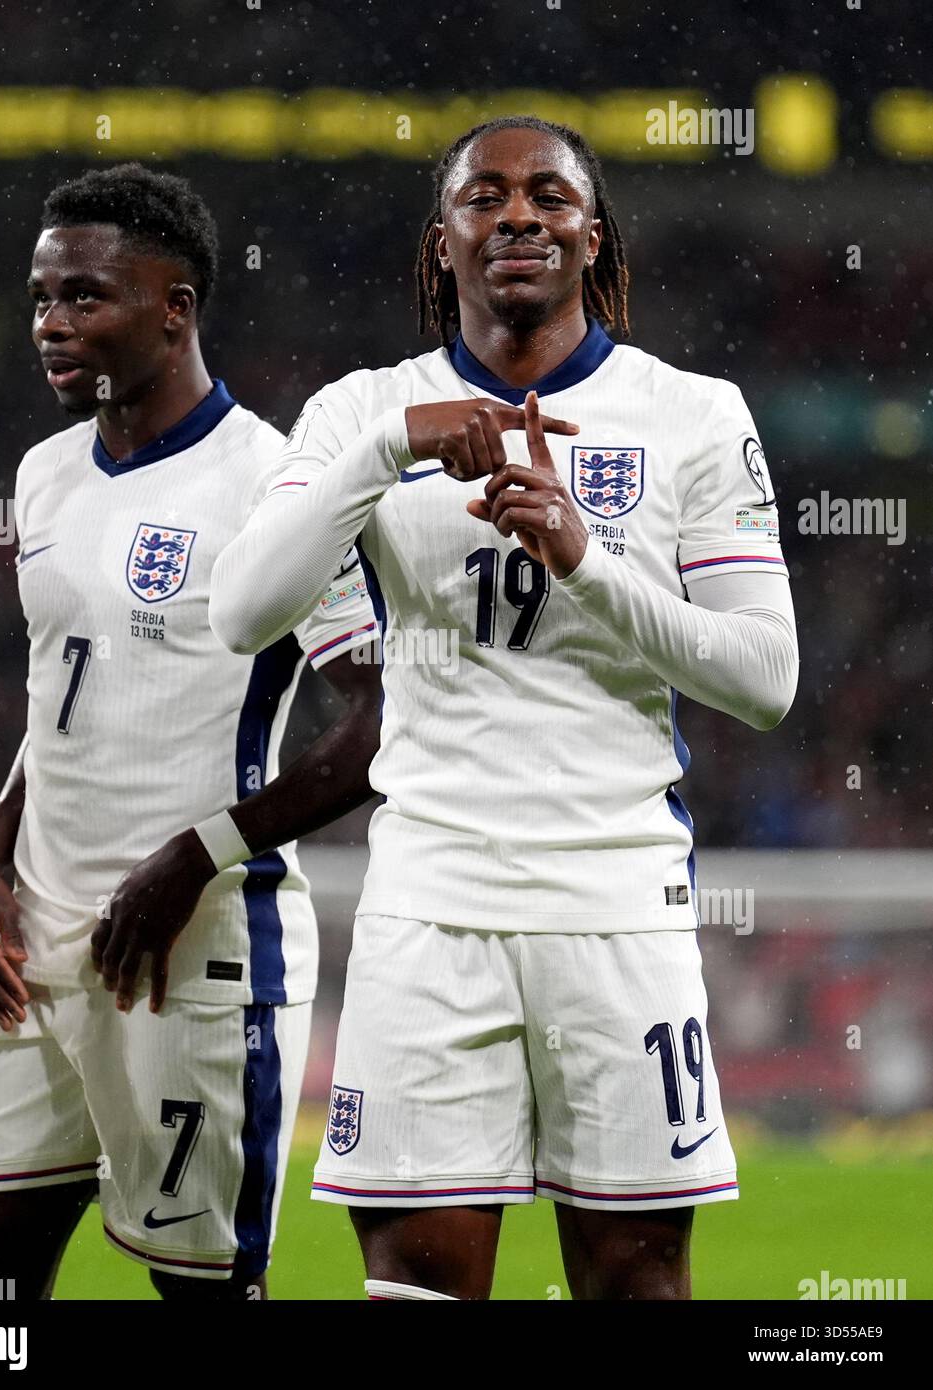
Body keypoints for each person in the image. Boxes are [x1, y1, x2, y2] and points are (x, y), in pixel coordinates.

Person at [208, 116, 799, 1301]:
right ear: (444, 244)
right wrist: (389, 446)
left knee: (637, 1279)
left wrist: (587, 560)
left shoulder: (692, 413)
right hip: (431, 907)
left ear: (592, 236)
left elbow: (764, 679)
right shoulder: (357, 410)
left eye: (548, 196)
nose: (518, 215)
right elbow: (241, 608)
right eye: (485, 197)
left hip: (618, 902)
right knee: (421, 1283)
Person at [0, 163, 381, 1300]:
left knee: (198, 1291)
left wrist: (202, 851)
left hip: (192, 962)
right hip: (32, 951)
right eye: (41, 297)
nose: (50, 324)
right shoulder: (43, 478)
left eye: (85, 297)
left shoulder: (278, 486)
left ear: (175, 307)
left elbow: (383, 726)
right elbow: (67, 699)